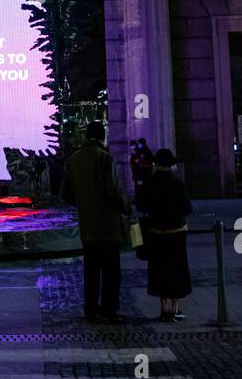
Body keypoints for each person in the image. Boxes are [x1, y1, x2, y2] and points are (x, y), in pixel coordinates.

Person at [62, 121, 131, 324]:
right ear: (102, 137)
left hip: (87, 224)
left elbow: (65, 193)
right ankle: (108, 310)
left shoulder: (73, 160)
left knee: (90, 270)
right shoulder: (106, 158)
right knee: (111, 270)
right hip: (108, 224)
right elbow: (114, 190)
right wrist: (126, 208)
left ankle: (90, 310)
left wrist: (83, 203)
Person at [136, 148, 193, 322]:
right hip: (176, 233)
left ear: (156, 164)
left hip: (156, 232)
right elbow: (187, 209)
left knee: (159, 270)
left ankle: (163, 308)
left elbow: (141, 206)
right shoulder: (177, 183)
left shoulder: (149, 183)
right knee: (177, 270)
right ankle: (175, 308)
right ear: (171, 165)